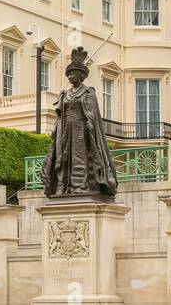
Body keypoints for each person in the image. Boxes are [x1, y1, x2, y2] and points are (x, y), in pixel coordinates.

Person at [42, 47, 118, 199]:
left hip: (81, 130)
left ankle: (80, 187)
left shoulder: (88, 92)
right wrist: (56, 129)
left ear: (80, 75)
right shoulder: (65, 94)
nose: (70, 76)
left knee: (79, 157)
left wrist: (89, 125)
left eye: (72, 73)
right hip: (65, 129)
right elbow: (60, 114)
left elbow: (92, 114)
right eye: (68, 74)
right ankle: (62, 186)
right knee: (62, 157)